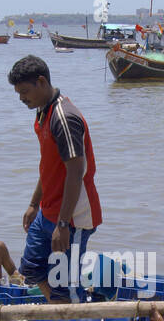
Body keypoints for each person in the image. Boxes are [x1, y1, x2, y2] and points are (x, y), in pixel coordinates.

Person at [6, 55, 103, 302]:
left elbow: (75, 172)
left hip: (72, 217)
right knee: (30, 268)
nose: (21, 98)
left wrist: (62, 225)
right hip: (48, 210)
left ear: (41, 82)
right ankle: (60, 312)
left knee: (66, 286)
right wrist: (33, 203)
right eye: (18, 93)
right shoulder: (42, 111)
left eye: (25, 91)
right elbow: (49, 166)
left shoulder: (64, 118)